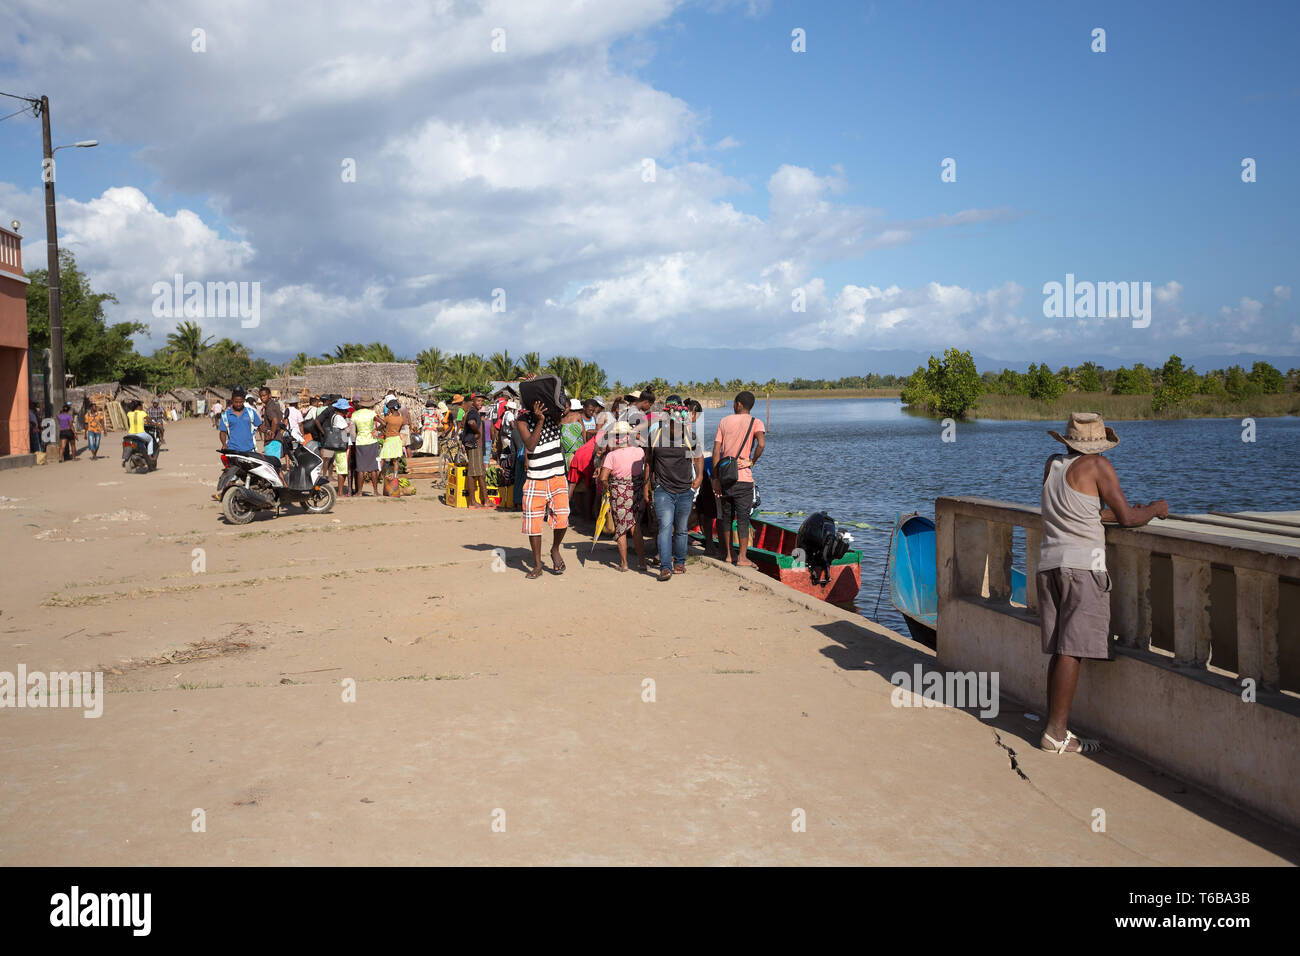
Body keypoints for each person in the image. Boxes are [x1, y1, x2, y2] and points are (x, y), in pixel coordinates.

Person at [1037, 412, 1167, 755]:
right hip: (1083, 567)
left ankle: (1054, 726)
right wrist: (1154, 508)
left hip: (1050, 563)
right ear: (1098, 444)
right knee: (1072, 649)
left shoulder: (1053, 465)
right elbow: (1127, 518)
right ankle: (1056, 733)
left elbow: (1079, 511)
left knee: (1060, 650)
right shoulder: (1098, 467)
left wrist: (1116, 511)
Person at [646, 397, 704, 580]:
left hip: (685, 490)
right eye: (673, 424)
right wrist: (645, 486)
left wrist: (700, 476)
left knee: (681, 529)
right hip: (663, 489)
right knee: (664, 526)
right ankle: (665, 566)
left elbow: (699, 457)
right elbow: (648, 462)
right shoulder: (655, 437)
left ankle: (679, 562)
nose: (677, 428)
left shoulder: (689, 437)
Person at [711, 390, 766, 567]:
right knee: (743, 518)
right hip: (744, 478)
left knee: (726, 517)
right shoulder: (756, 422)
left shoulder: (724, 421)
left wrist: (716, 478)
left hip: (726, 477)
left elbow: (716, 452)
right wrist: (752, 461)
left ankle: (729, 554)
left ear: (739, 404)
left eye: (734, 403)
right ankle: (742, 558)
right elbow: (762, 444)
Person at [516, 399, 569, 579]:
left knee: (562, 518)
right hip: (535, 478)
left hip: (557, 475)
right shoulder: (522, 419)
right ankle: (538, 564)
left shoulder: (554, 415)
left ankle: (555, 548)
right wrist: (539, 420)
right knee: (533, 524)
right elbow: (530, 445)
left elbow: (564, 404)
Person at [599, 421, 648, 573]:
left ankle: (624, 563)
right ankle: (641, 563)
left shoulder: (611, 456)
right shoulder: (640, 452)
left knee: (621, 529)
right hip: (637, 492)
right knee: (635, 526)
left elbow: (603, 478)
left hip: (618, 493)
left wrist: (609, 488)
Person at [462, 393, 490, 507]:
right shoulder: (473, 412)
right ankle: (472, 502)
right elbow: (471, 422)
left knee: (480, 472)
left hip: (475, 445)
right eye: (478, 401)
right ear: (473, 401)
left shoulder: (474, 411)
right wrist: (477, 432)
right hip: (472, 444)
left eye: (482, 401)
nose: (480, 403)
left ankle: (486, 500)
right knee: (472, 473)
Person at [349, 399, 381, 496]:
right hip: (372, 441)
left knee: (361, 469)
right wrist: (376, 430)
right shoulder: (372, 413)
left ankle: (359, 492)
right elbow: (383, 423)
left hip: (360, 442)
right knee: (374, 468)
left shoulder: (354, 414)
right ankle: (375, 491)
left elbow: (352, 431)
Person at [378, 399, 406, 494]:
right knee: (395, 461)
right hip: (397, 440)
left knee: (381, 459)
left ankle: (377, 477)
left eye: (389, 408)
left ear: (391, 409)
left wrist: (377, 430)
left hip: (389, 440)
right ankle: (395, 477)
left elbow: (382, 426)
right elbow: (399, 428)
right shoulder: (401, 418)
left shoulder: (388, 418)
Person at [257, 387, 281, 454]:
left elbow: (275, 421)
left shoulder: (269, 407)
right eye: (261, 396)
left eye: (264, 395)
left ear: (269, 395)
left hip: (273, 441)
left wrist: (271, 434)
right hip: (276, 439)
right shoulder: (272, 404)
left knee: (271, 462)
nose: (262, 398)